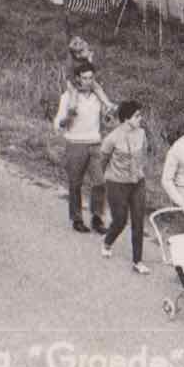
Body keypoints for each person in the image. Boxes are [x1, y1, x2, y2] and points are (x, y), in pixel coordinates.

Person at [53, 40, 116, 233]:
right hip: (75, 144)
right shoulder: (68, 97)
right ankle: (77, 218)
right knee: (75, 183)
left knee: (100, 182)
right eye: (85, 78)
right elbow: (59, 125)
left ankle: (97, 217)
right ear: (78, 79)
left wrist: (108, 116)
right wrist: (69, 116)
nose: (89, 81)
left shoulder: (97, 96)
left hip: (95, 144)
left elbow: (107, 121)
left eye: (91, 78)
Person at [98, 100, 151, 274]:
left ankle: (138, 261)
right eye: (137, 116)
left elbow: (143, 154)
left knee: (138, 221)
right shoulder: (112, 138)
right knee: (120, 220)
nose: (140, 119)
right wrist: (108, 178)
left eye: (140, 115)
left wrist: (139, 172)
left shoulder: (142, 133)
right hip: (117, 183)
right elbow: (103, 160)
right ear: (126, 118)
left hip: (137, 182)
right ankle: (108, 241)